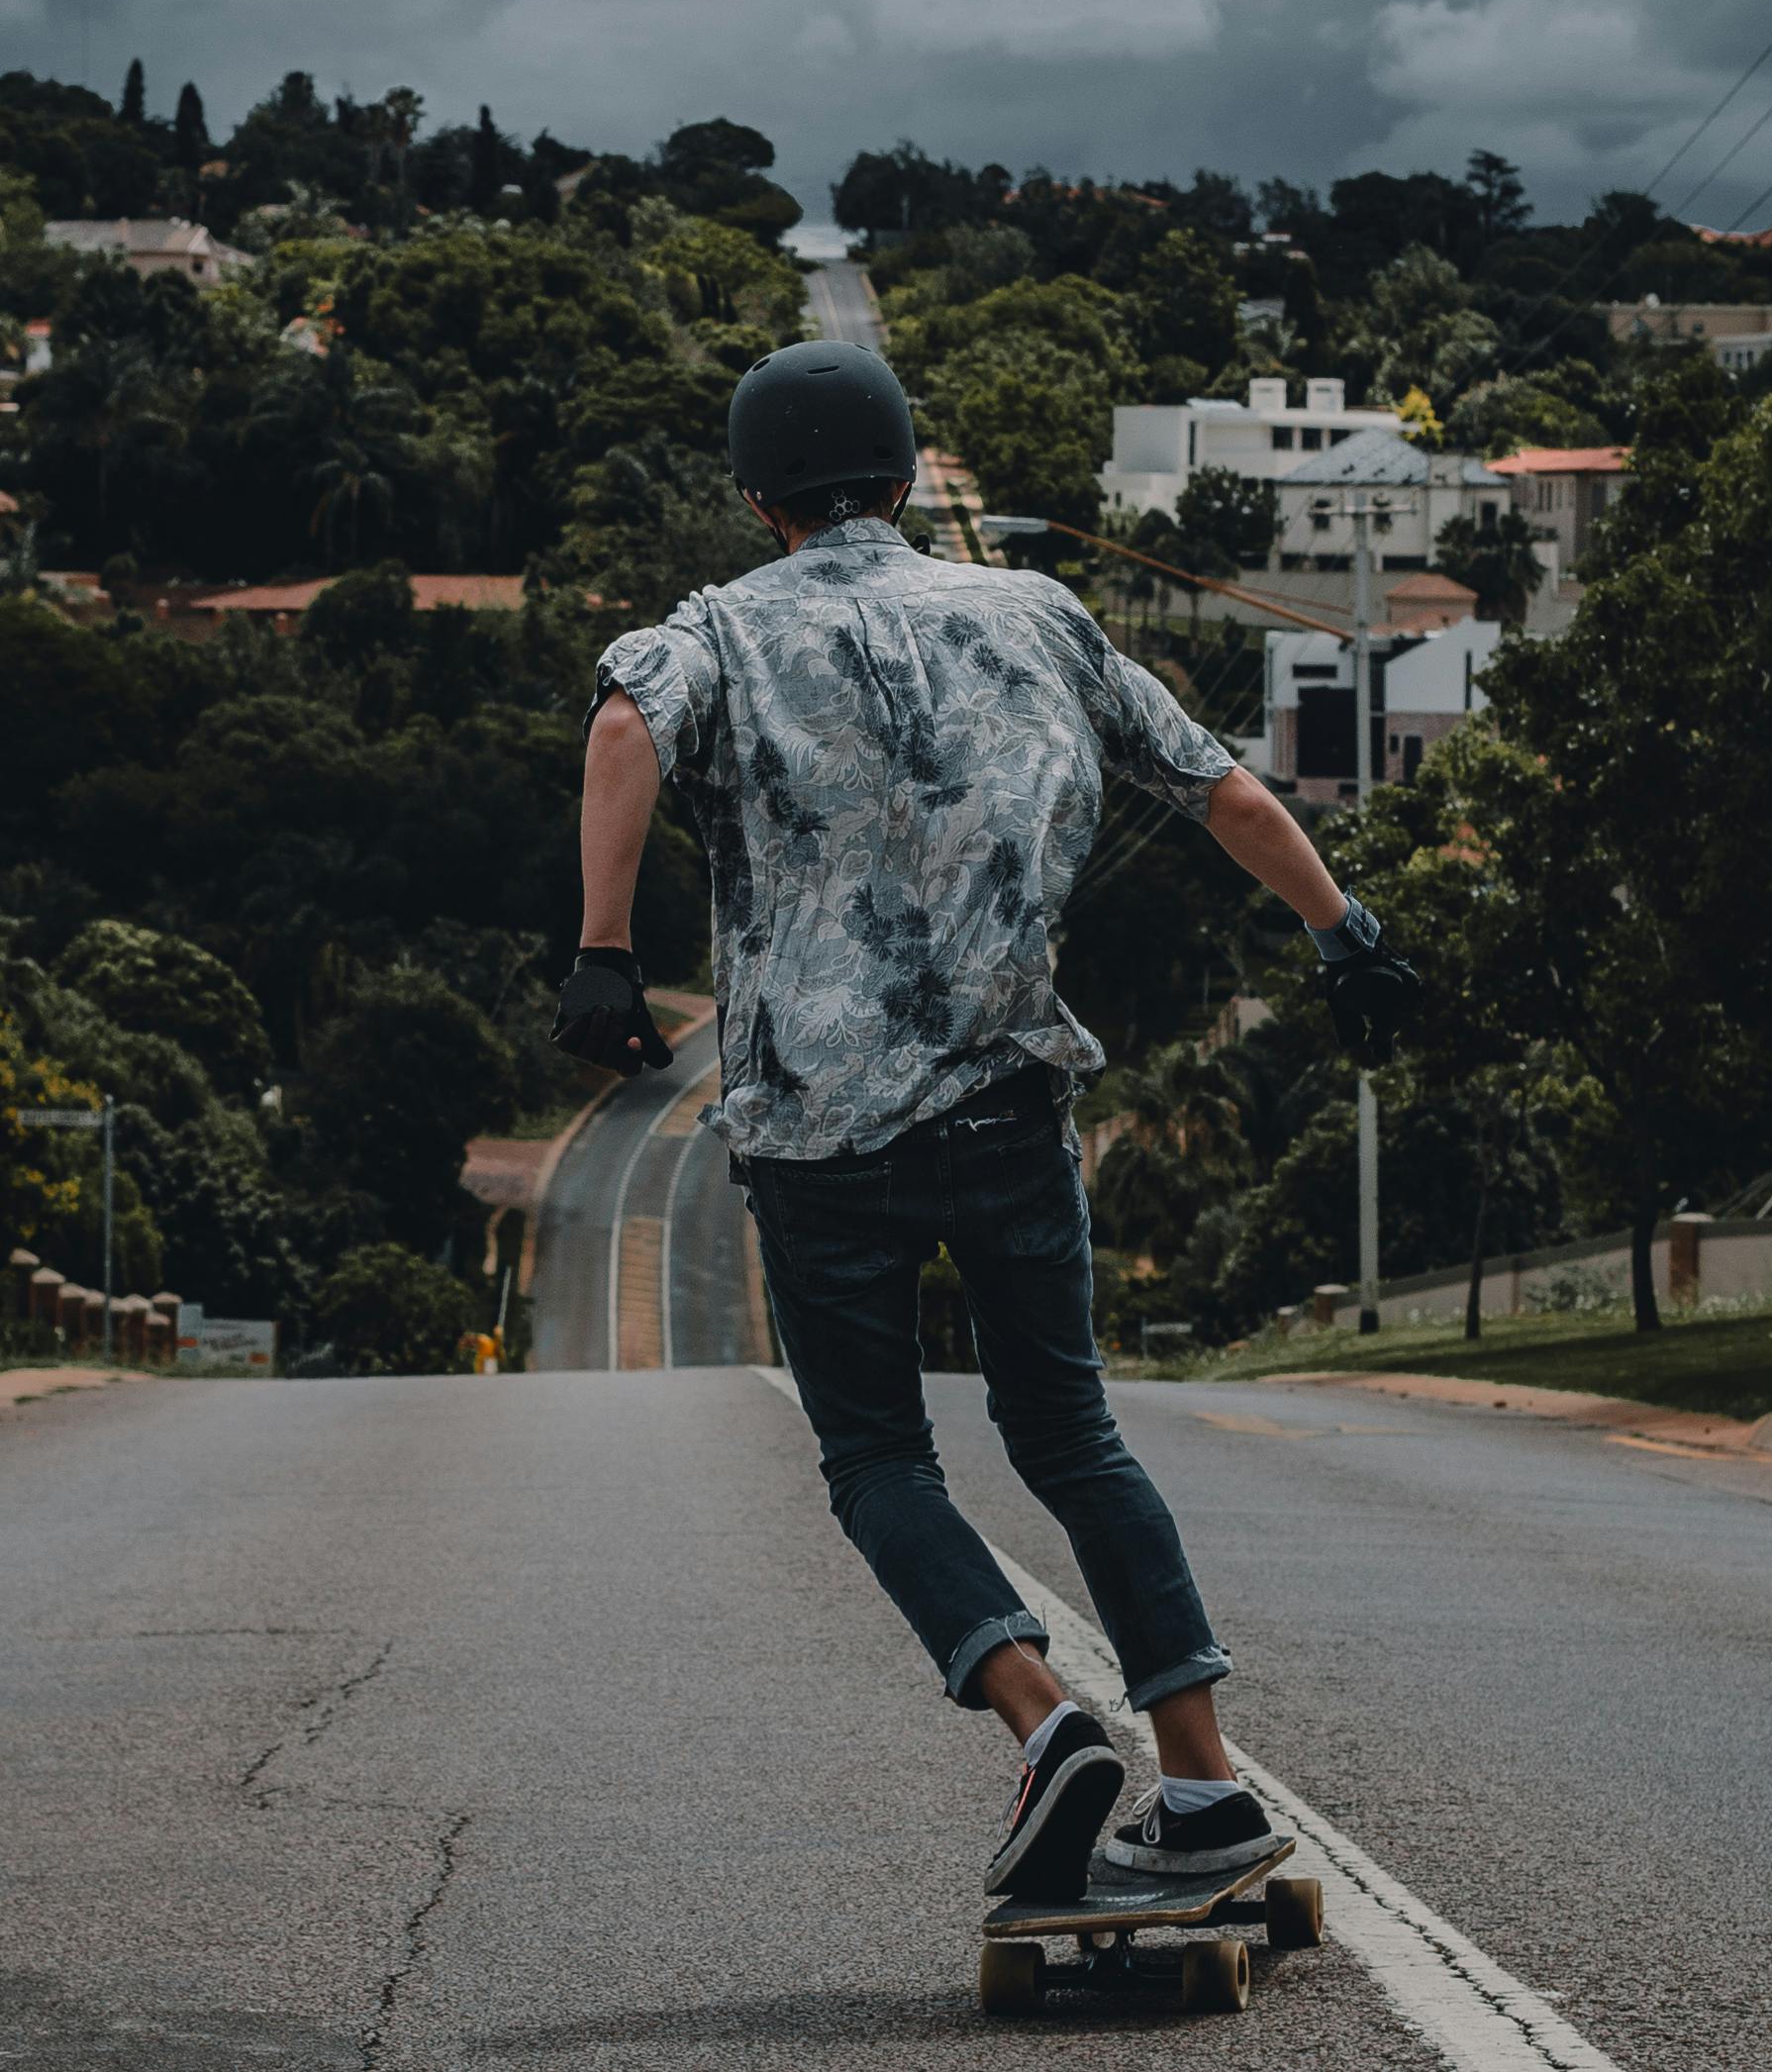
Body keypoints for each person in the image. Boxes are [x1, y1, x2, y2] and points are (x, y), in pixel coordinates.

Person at [553, 342, 1421, 1900]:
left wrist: (604, 947)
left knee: (880, 1456)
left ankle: (1041, 1726)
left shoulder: (721, 632)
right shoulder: (1033, 610)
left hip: (819, 1135)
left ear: (759, 497)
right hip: (1010, 1102)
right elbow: (1215, 784)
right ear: (901, 475)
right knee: (1070, 1435)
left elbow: (622, 730)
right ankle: (1205, 1785)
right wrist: (1342, 931)